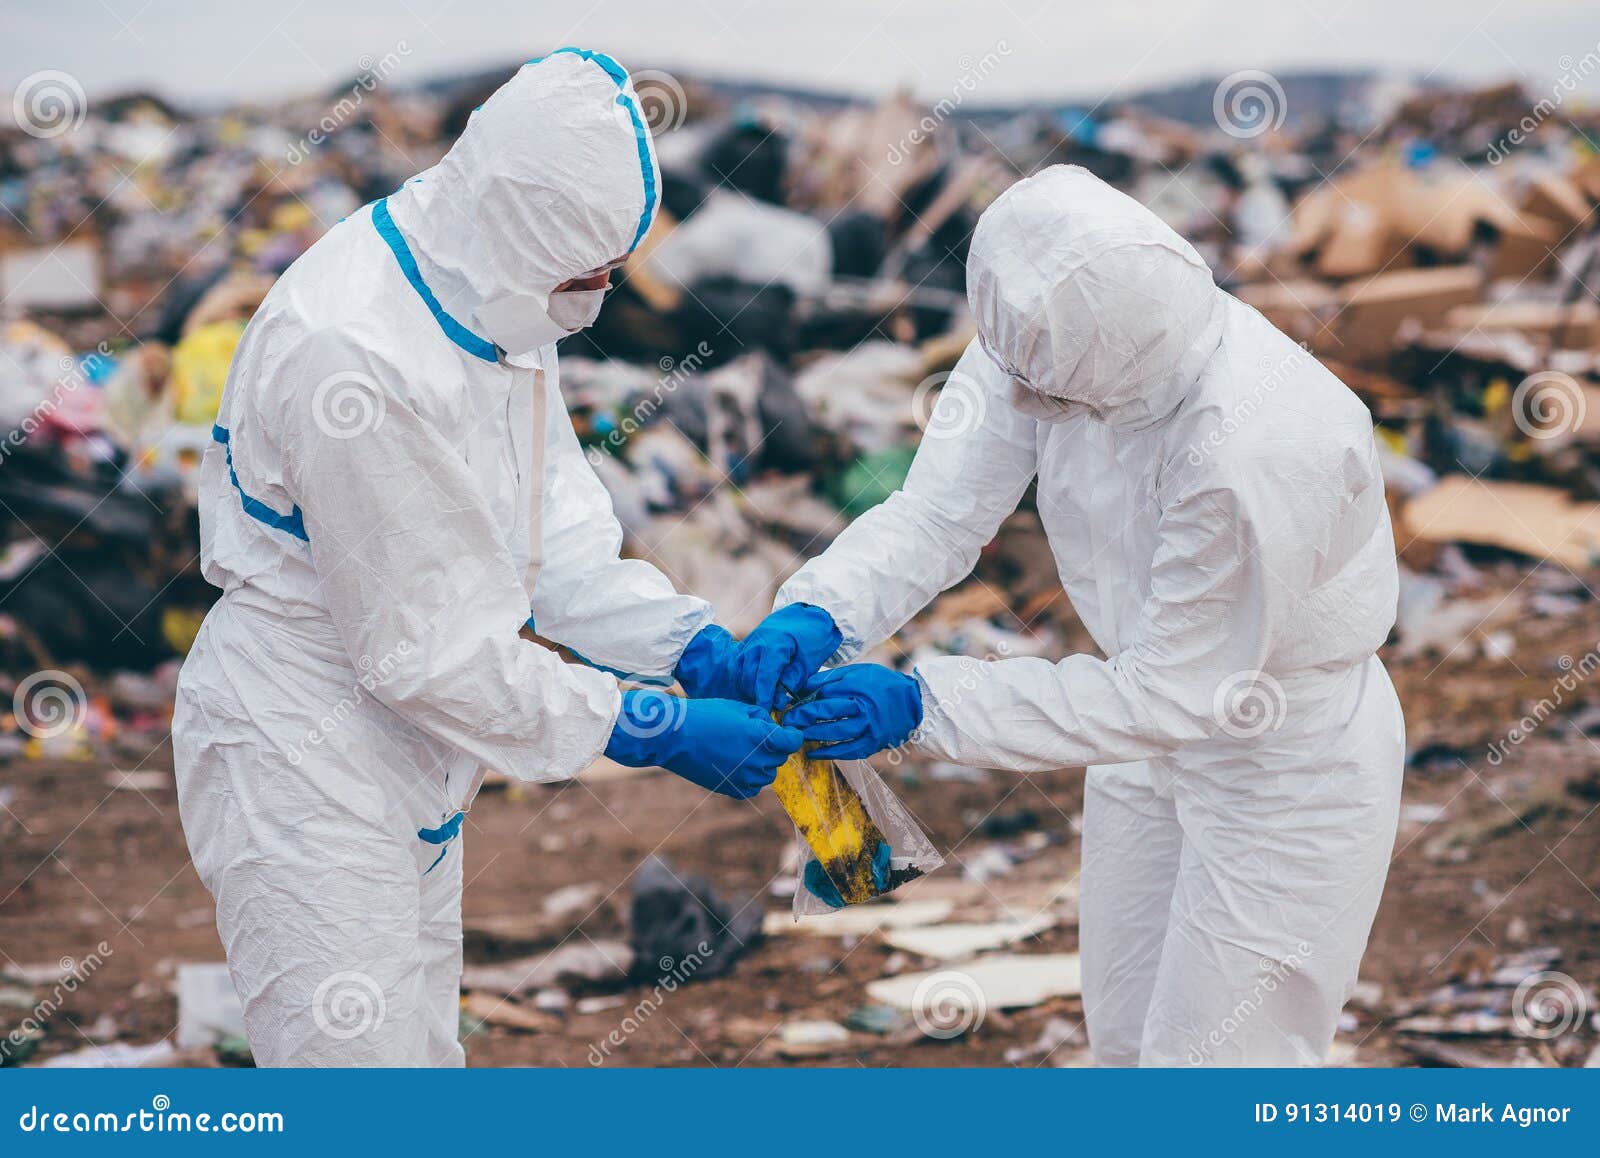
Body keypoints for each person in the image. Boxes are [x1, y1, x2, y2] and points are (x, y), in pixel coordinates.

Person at [173, 50, 800, 1068]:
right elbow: (427, 650)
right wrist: (647, 722)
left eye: (608, 269)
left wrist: (687, 646)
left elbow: (542, 527)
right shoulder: (354, 351)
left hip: (410, 745)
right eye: (583, 274)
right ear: (524, 232)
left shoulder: (498, 283)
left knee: (424, 1064)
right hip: (305, 742)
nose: (598, 293)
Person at [728, 166, 1405, 1066]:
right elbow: (941, 513)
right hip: (1134, 720)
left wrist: (925, 706)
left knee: (1223, 1071)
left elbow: (1176, 692)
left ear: (1116, 370)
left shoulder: (1253, 448)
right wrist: (819, 609)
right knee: (1123, 1039)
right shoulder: (1041, 331)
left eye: (1053, 396)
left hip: (1277, 746)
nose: (1025, 405)